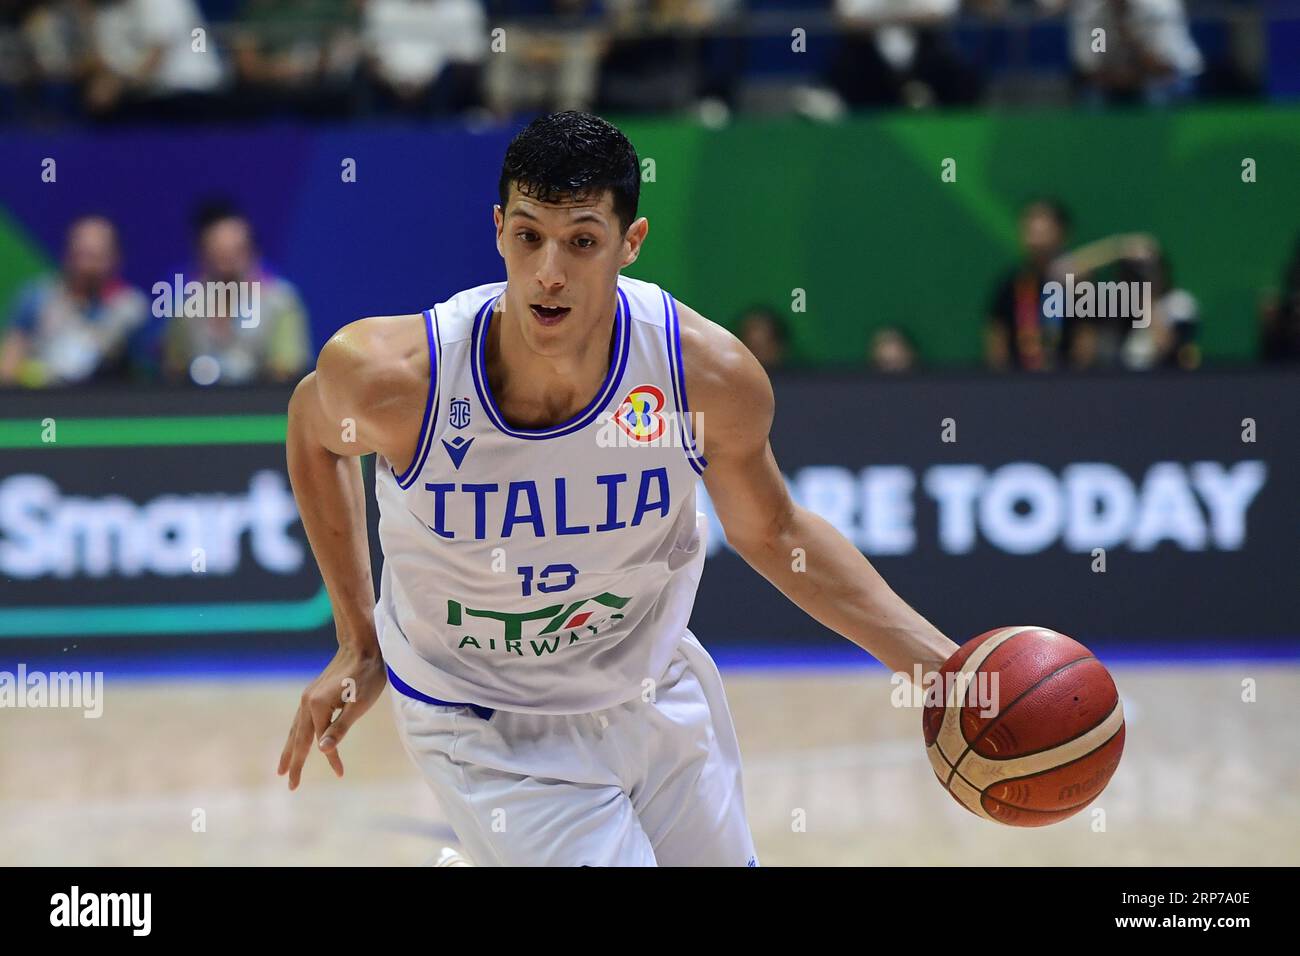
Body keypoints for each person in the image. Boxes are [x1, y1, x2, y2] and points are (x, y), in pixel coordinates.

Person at [278, 111, 958, 866]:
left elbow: (777, 533)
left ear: (630, 244)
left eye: (582, 240)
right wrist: (358, 639)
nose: (549, 273)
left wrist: (943, 668)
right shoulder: (396, 378)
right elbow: (313, 435)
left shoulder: (701, 376)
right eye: (529, 235)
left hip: (652, 689)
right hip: (484, 721)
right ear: (499, 228)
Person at [162, 201, 312, 386]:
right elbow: (174, 370)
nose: (227, 264)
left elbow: (288, 368)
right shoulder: (185, 306)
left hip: (262, 406)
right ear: (201, 256)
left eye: (236, 252)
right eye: (218, 254)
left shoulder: (281, 302)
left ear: (253, 253)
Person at [0, 214, 149, 387]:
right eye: (80, 255)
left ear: (115, 259)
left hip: (106, 405)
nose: (86, 267)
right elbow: (7, 370)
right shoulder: (36, 298)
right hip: (42, 405)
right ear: (67, 255)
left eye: (95, 257)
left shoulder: (131, 308)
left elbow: (145, 375)